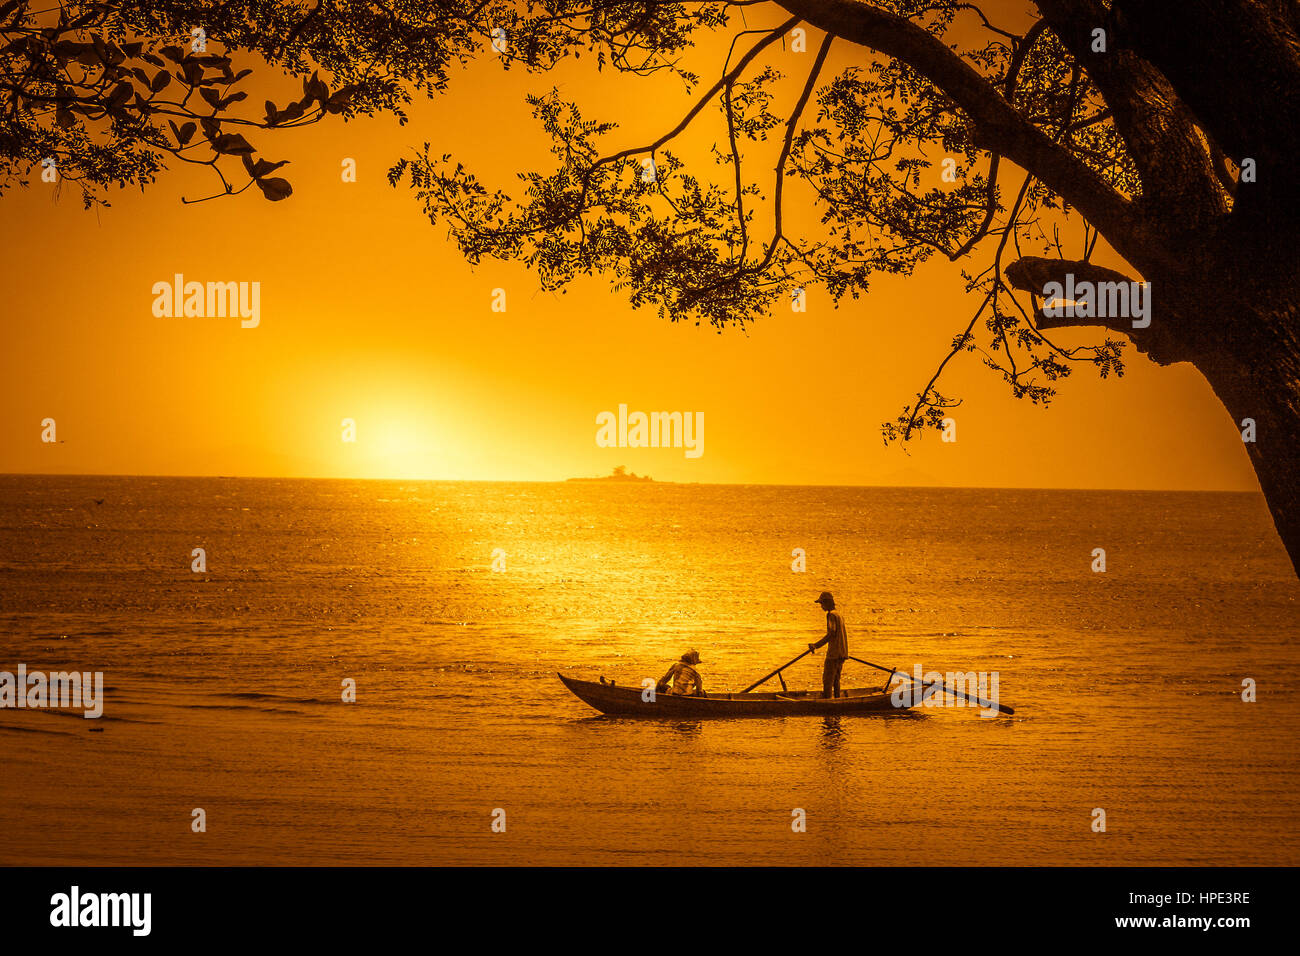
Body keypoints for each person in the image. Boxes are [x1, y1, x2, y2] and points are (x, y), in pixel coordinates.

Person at [808, 591, 849, 699]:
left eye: (822, 604)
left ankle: (827, 702)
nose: (821, 606)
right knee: (836, 680)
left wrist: (815, 645)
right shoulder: (839, 614)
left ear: (827, 603)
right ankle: (837, 700)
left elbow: (831, 634)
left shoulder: (831, 615)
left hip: (834, 654)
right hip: (842, 653)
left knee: (827, 680)